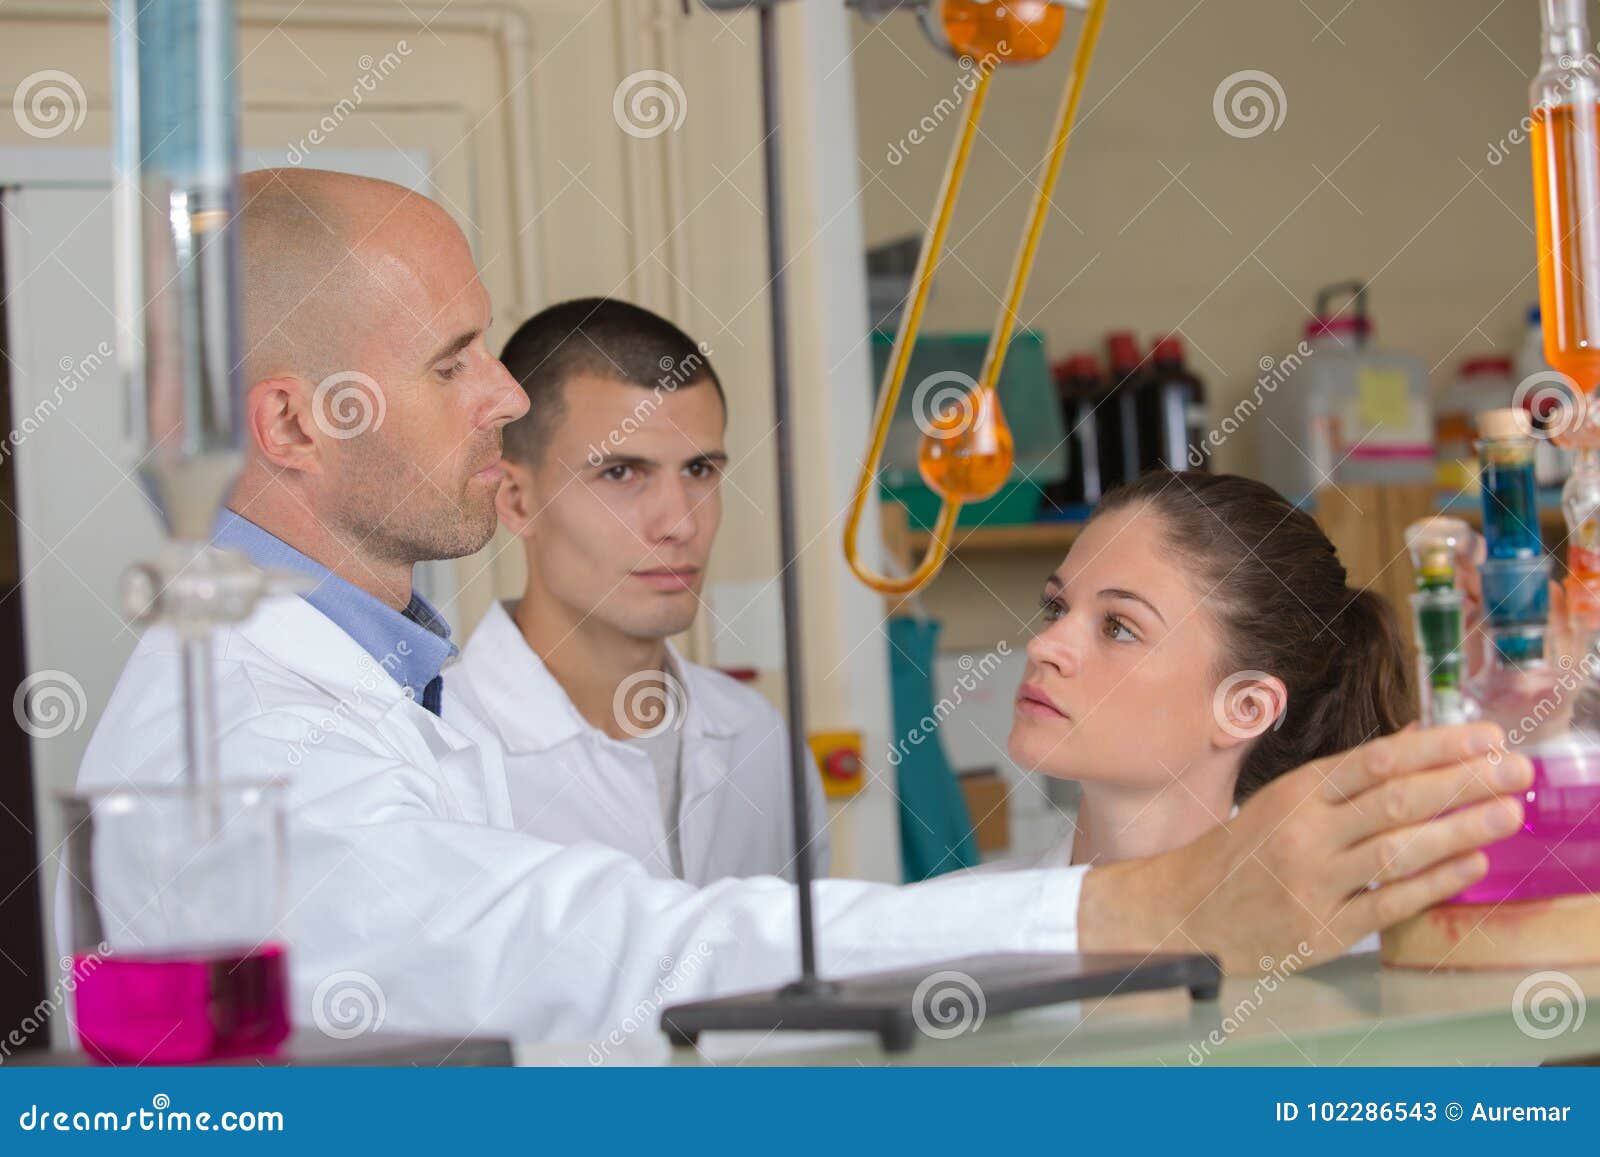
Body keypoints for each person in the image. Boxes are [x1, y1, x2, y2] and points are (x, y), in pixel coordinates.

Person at [75, 169, 1531, 1044]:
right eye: (453, 361)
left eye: (700, 469)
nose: (503, 396)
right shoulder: (235, 734)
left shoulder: (388, 688)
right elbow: (601, 963)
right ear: (293, 420)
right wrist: (1136, 909)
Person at [444, 298, 829, 884]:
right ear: (517, 501)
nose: (681, 523)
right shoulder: (438, 753)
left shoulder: (759, 738)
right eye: (621, 473)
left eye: (699, 470)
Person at [1010, 470, 1412, 869]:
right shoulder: (977, 907)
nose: (1043, 646)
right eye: (1056, 608)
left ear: (1246, 708)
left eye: (1118, 628)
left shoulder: (1334, 913)